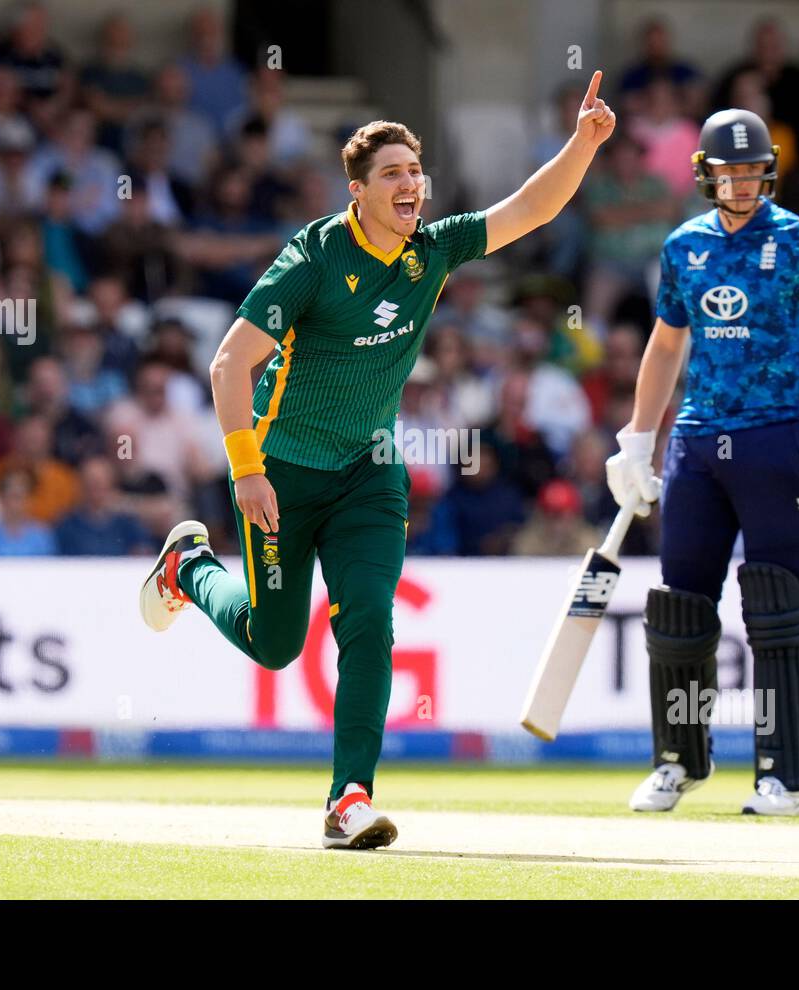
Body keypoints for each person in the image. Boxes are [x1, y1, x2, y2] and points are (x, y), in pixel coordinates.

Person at [139, 73, 618, 849]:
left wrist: (583, 143)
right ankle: (187, 567)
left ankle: (348, 797)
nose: (411, 184)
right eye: (392, 173)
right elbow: (230, 366)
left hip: (368, 471)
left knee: (368, 619)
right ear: (357, 191)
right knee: (276, 642)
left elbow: (529, 209)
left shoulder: (432, 249)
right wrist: (246, 469)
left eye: (415, 172)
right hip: (281, 472)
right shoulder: (314, 259)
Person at [607, 108, 799, 817]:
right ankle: (678, 760)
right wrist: (639, 438)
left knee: (777, 604)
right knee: (680, 607)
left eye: (752, 171)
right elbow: (667, 346)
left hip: (776, 436)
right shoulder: (683, 246)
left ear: (769, 172)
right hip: (699, 442)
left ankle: (783, 775)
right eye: (727, 172)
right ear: (705, 175)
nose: (740, 184)